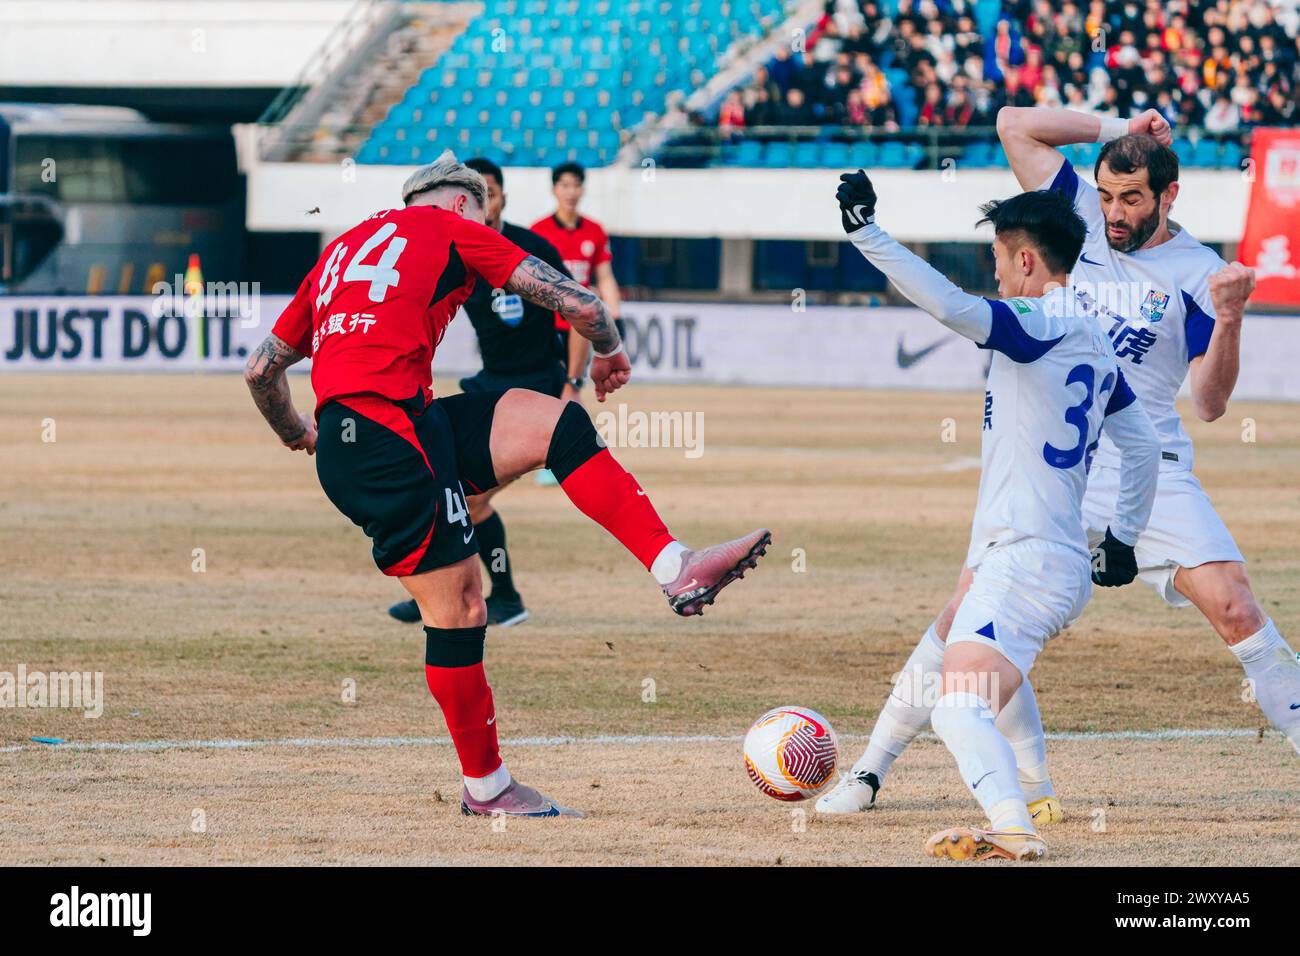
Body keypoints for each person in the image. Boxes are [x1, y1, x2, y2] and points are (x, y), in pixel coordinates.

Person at [244, 151, 770, 818]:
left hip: (398, 423)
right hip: (387, 441)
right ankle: (487, 789)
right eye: (483, 207)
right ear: (467, 204)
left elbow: (262, 369)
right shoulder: (456, 229)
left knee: (558, 426)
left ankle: (676, 565)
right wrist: (609, 352)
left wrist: (298, 432)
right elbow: (578, 301)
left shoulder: (344, 247)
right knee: (461, 606)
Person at [821, 107, 1300, 822]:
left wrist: (1229, 319)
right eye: (1105, 194)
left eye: (1131, 199)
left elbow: (1208, 403)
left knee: (1235, 605)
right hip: (1059, 466)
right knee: (963, 613)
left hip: (1148, 458)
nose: (1112, 212)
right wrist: (1115, 125)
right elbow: (1016, 124)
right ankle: (868, 772)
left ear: (1169, 197)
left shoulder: (1200, 272)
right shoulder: (1074, 215)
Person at [834, 171, 1160, 860]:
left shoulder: (1039, 322)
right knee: (949, 633)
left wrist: (868, 233)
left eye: (999, 263)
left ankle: (1013, 825)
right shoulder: (1096, 339)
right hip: (1045, 554)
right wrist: (1123, 540)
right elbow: (1142, 449)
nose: (998, 279)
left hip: (1028, 558)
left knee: (959, 705)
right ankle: (869, 776)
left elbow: (953, 308)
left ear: (1026, 260)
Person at [386, 157, 581, 629]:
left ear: (502, 198)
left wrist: (572, 385)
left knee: (470, 503)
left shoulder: (532, 249)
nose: (483, 203)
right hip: (487, 384)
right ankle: (443, 591)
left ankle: (505, 597)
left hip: (536, 383)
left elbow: (577, 312)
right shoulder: (452, 257)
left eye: (490, 193)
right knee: (440, 489)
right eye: (476, 194)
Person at [529, 161, 623, 485]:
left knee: (571, 388)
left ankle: (560, 460)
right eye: (564, 185)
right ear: (554, 189)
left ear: (583, 188)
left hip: (579, 330)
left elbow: (605, 276)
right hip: (546, 327)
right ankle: (551, 458)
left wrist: (615, 315)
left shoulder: (594, 232)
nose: (570, 192)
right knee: (552, 392)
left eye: (576, 185)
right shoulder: (537, 231)